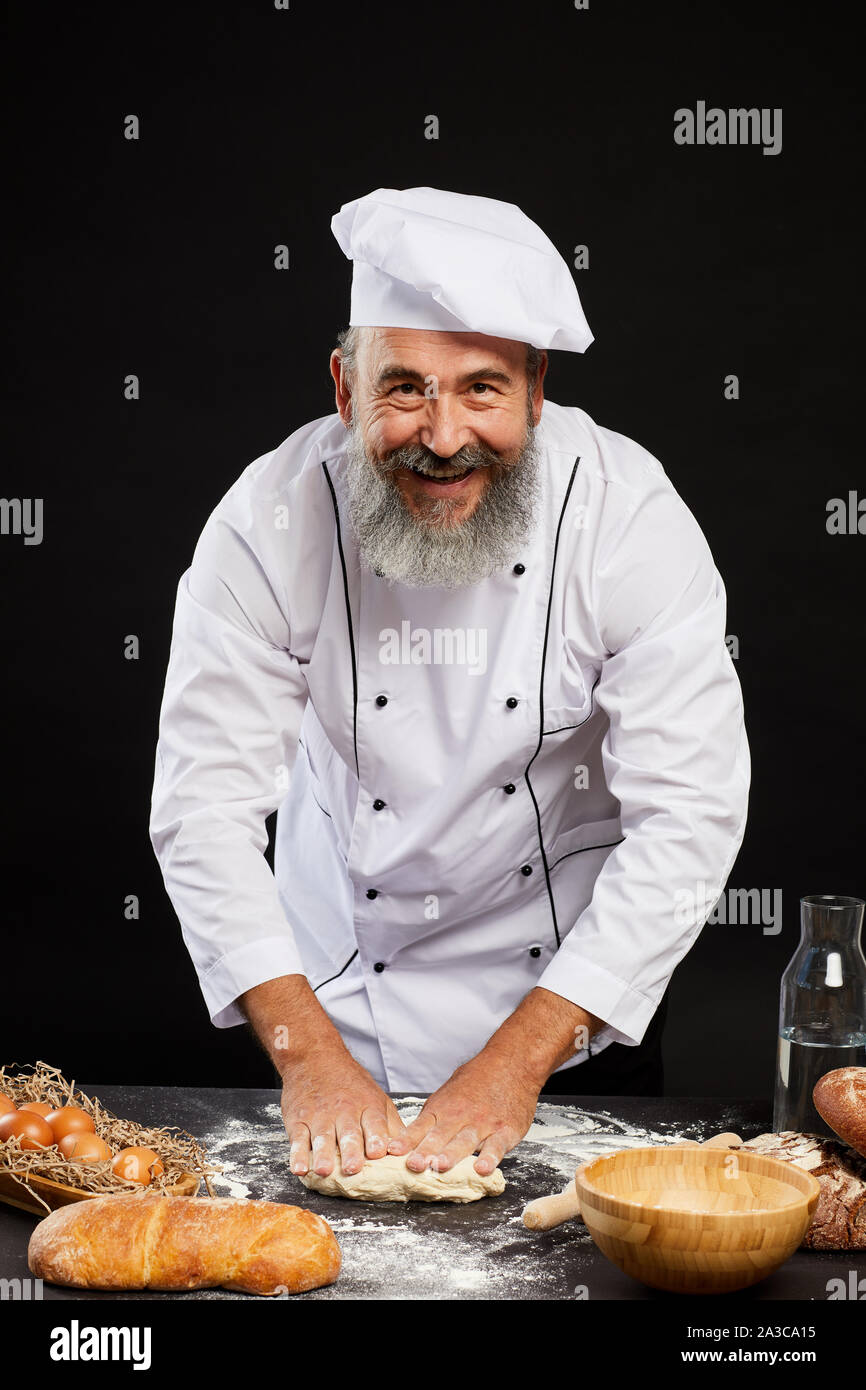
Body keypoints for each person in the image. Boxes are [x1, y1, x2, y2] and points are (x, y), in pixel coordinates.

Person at [149, 186, 750, 1184]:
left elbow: (688, 813)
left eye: (480, 388)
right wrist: (306, 1058)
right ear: (344, 389)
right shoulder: (268, 522)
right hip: (329, 998)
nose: (441, 435)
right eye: (403, 388)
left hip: (571, 1012)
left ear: (533, 391)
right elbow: (201, 808)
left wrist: (517, 1065)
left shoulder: (625, 515)